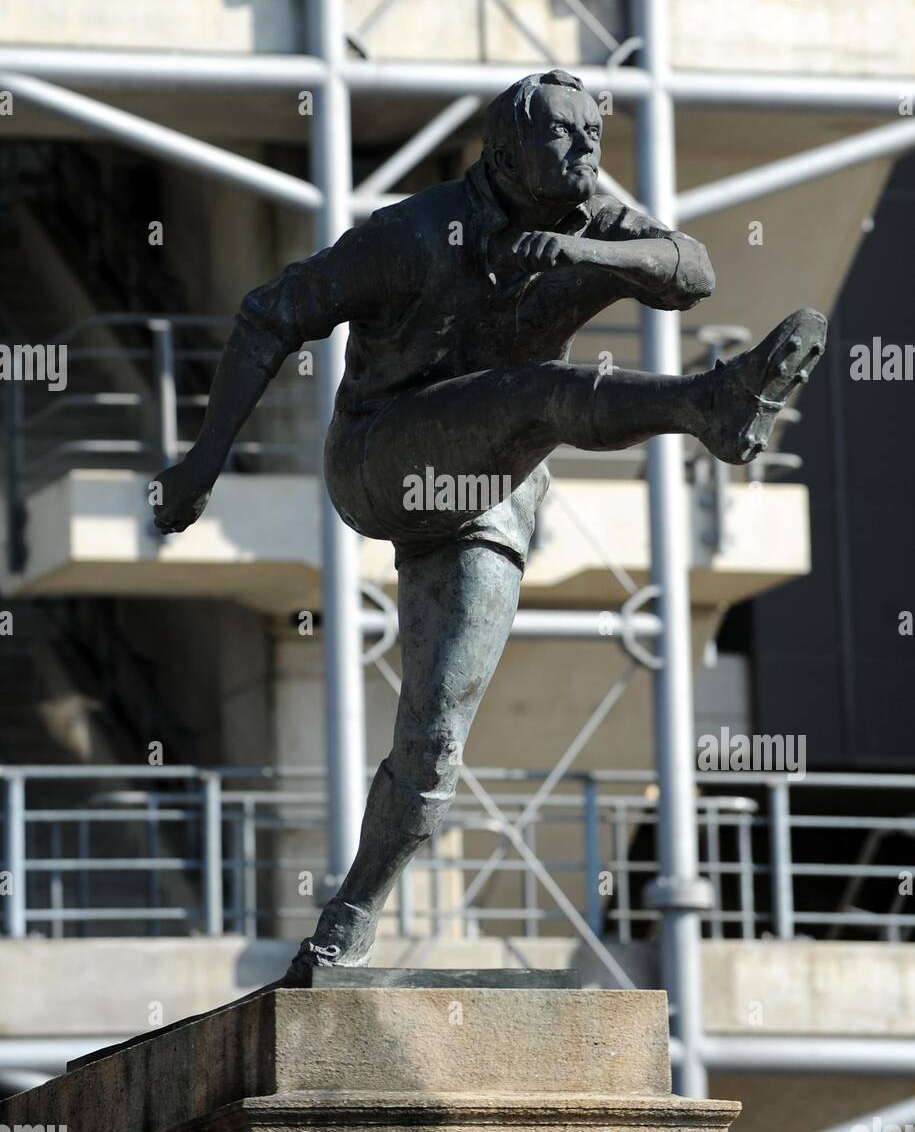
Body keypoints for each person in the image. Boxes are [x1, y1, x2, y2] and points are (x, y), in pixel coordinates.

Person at [152, 69, 826, 975]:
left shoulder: (592, 218)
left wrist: (593, 259)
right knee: (545, 391)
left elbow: (691, 272)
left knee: (435, 736)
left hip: (493, 490)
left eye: (592, 133)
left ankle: (349, 917)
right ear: (503, 151)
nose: (584, 150)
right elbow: (270, 314)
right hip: (383, 460)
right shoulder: (413, 233)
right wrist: (202, 464)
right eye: (561, 136)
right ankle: (709, 404)